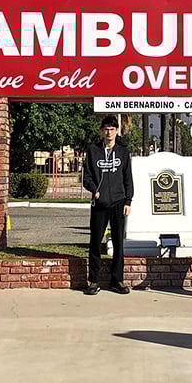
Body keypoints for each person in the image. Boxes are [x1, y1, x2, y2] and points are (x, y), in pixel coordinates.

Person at [82, 115, 134, 295]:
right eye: (106, 129)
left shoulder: (123, 151)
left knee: (118, 242)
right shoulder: (93, 150)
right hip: (99, 203)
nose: (109, 132)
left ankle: (117, 280)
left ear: (116, 131)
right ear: (101, 131)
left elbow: (128, 178)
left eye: (112, 129)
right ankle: (93, 280)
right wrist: (94, 189)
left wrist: (128, 201)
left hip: (119, 202)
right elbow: (86, 176)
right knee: (95, 241)